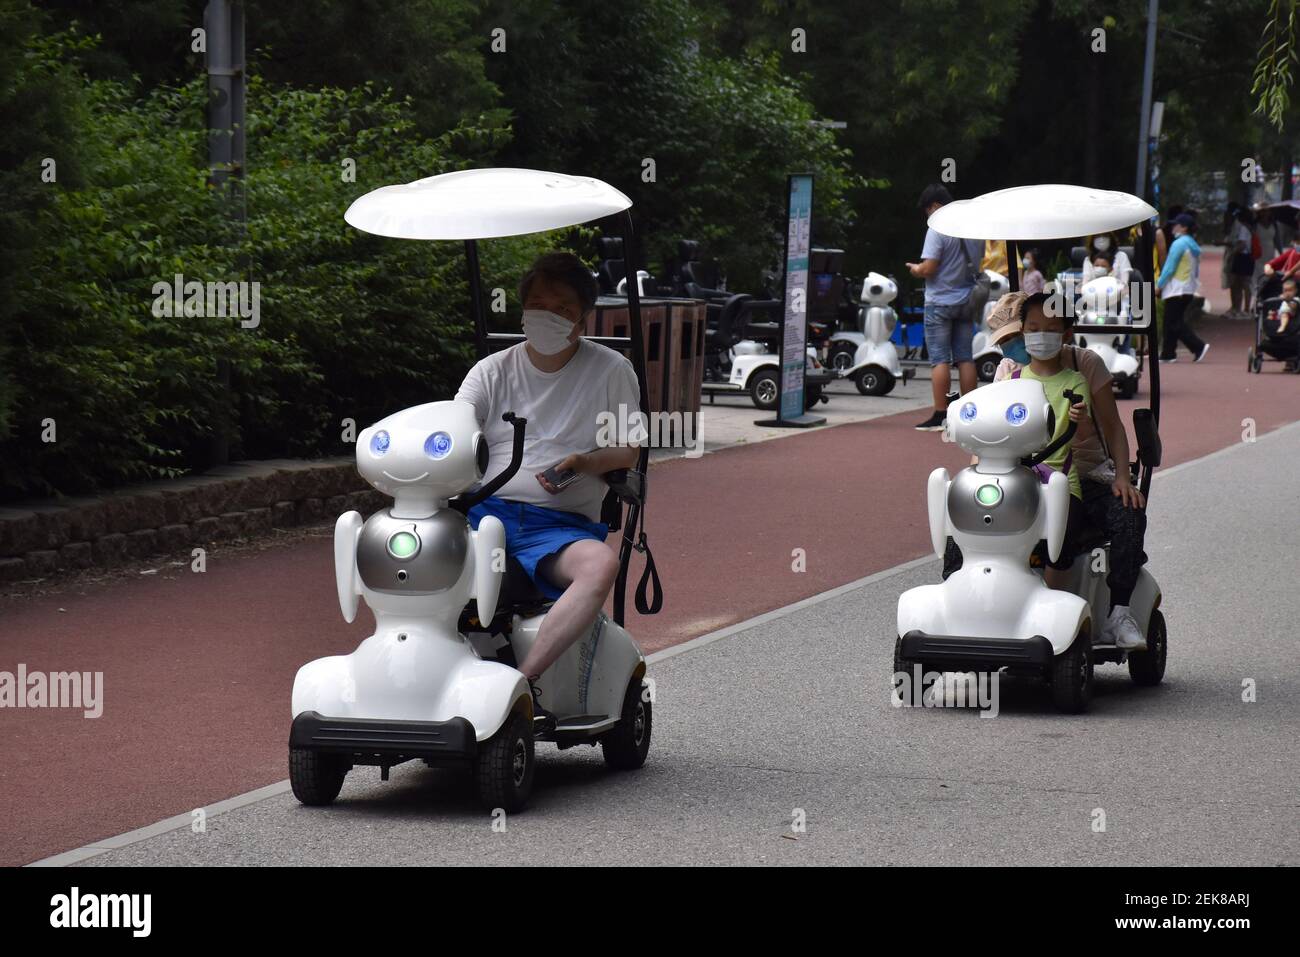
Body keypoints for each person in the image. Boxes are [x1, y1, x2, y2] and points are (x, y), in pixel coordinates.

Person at [455, 252, 642, 722]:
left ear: (581, 317)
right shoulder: (491, 371)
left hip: (558, 528)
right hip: (484, 514)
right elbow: (454, 426)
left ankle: (522, 683)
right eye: (538, 304)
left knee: (601, 565)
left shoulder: (610, 370)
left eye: (561, 308)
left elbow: (629, 450)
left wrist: (583, 463)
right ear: (521, 310)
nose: (547, 315)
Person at [957, 293, 1149, 647]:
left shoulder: (1084, 366)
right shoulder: (1009, 372)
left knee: (1129, 513)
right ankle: (961, 604)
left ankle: (1118, 612)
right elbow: (991, 429)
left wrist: (1123, 476)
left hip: (1084, 475)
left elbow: (1113, 425)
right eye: (1031, 329)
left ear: (1066, 332)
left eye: (1050, 328)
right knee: (963, 516)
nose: (1038, 336)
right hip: (1019, 475)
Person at [906, 184, 984, 431]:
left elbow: (929, 267)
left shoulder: (938, 228)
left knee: (939, 359)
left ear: (936, 206)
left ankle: (940, 414)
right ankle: (970, 411)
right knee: (965, 358)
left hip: (940, 302)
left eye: (928, 210)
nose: (928, 215)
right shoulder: (973, 229)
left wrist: (916, 270)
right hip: (967, 300)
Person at [1156, 213, 1210, 363]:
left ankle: (1198, 346)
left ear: (1184, 228)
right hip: (1188, 287)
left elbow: (1169, 267)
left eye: (1176, 225)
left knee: (1173, 323)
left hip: (1176, 288)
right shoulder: (1192, 244)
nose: (1173, 227)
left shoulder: (1179, 244)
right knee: (1171, 321)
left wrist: (1159, 285)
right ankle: (1168, 353)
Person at [1226, 207, 1256, 318]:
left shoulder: (1243, 228)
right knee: (1246, 283)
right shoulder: (1252, 227)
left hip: (1242, 257)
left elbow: (1242, 244)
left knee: (1237, 284)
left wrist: (1232, 254)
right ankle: (1246, 308)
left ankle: (1238, 308)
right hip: (1249, 257)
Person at [1252, 203, 1281, 301]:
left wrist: (1281, 254)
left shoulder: (1274, 224)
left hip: (1271, 253)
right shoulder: (1255, 225)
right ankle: (1257, 298)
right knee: (1258, 276)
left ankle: (1267, 298)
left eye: (1267, 211)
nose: (1265, 213)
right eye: (1262, 211)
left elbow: (1277, 241)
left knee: (1269, 275)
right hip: (1258, 254)